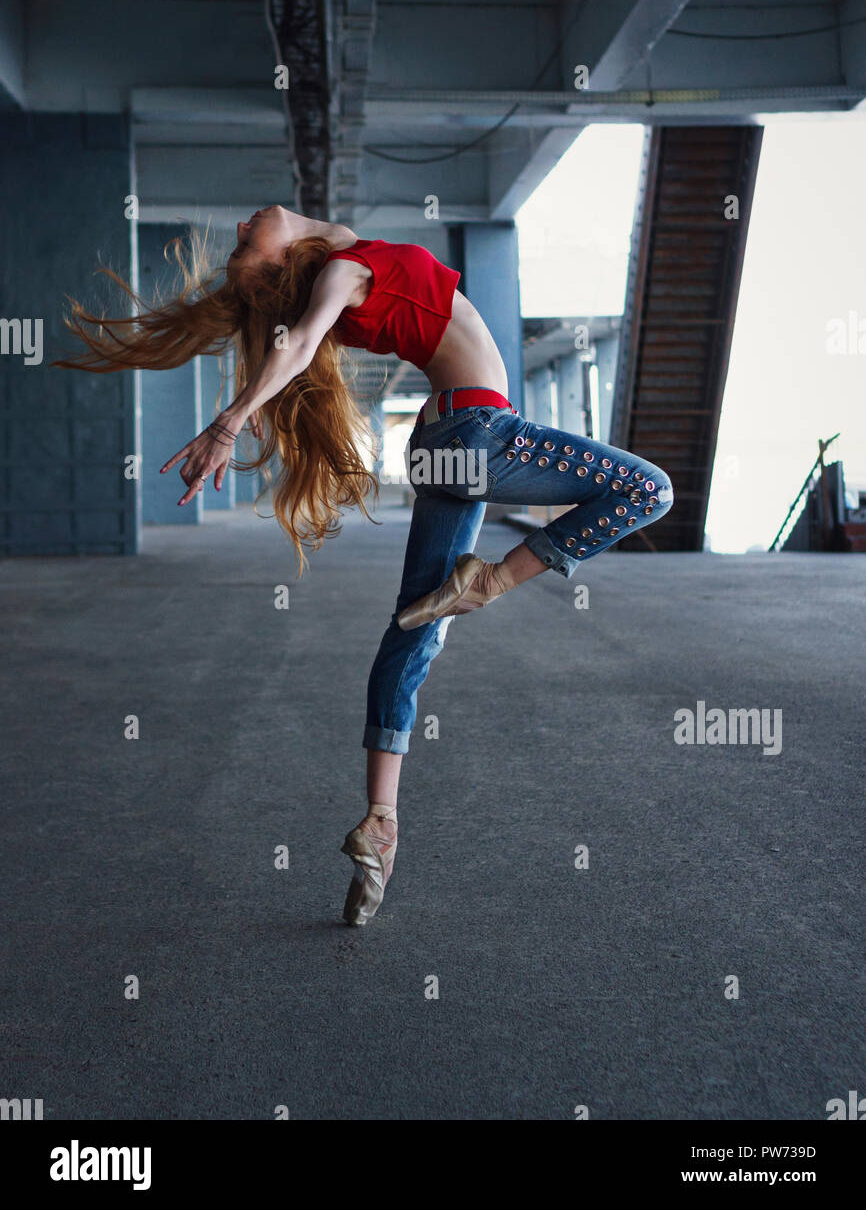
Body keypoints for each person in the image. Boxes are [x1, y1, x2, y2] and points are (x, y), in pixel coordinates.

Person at [54, 205, 674, 927]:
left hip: (442, 447)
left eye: (243, 238)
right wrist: (230, 420)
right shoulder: (347, 274)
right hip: (477, 433)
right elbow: (300, 342)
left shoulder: (346, 253)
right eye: (251, 241)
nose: (248, 225)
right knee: (649, 488)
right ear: (287, 259)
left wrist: (249, 380)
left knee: (414, 626)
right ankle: (494, 581)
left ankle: (381, 821)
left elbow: (307, 296)